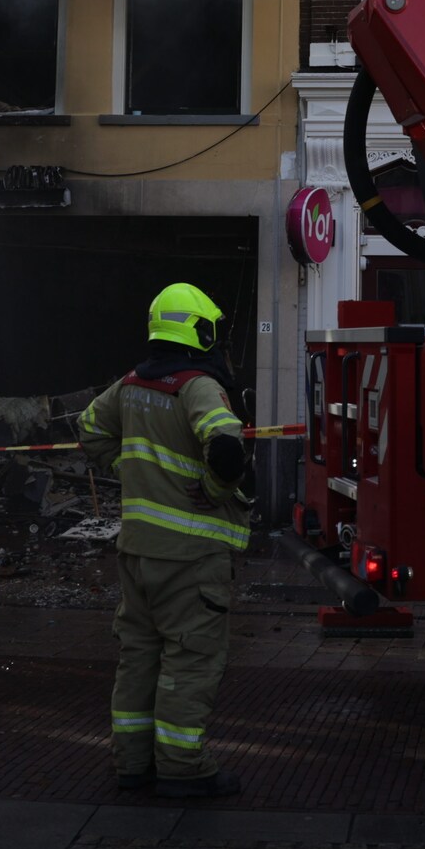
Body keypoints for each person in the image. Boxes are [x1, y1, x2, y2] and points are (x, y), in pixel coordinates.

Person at [77, 282, 251, 799]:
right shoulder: (197, 385)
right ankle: (181, 766)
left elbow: (89, 429)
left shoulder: (131, 384)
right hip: (190, 556)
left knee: (139, 657)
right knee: (190, 659)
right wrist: (216, 489)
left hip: (136, 553)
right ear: (199, 329)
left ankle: (131, 763)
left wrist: (131, 469)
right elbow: (225, 449)